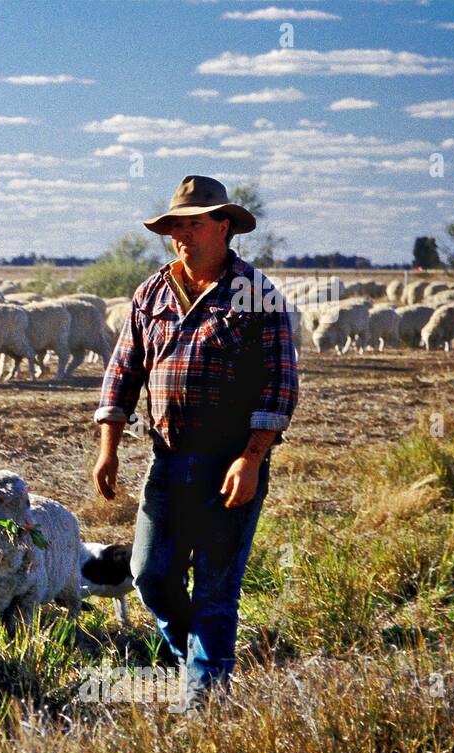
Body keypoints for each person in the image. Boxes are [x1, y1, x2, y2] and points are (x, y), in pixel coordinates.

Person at [92, 175, 299, 708]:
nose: (183, 235)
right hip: (168, 460)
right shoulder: (151, 292)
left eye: (195, 223)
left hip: (229, 463)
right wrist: (108, 446)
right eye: (176, 226)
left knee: (214, 588)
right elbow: (124, 370)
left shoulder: (256, 294)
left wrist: (252, 459)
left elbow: (279, 384)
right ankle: (202, 664)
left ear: (224, 226)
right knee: (150, 575)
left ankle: (204, 704)